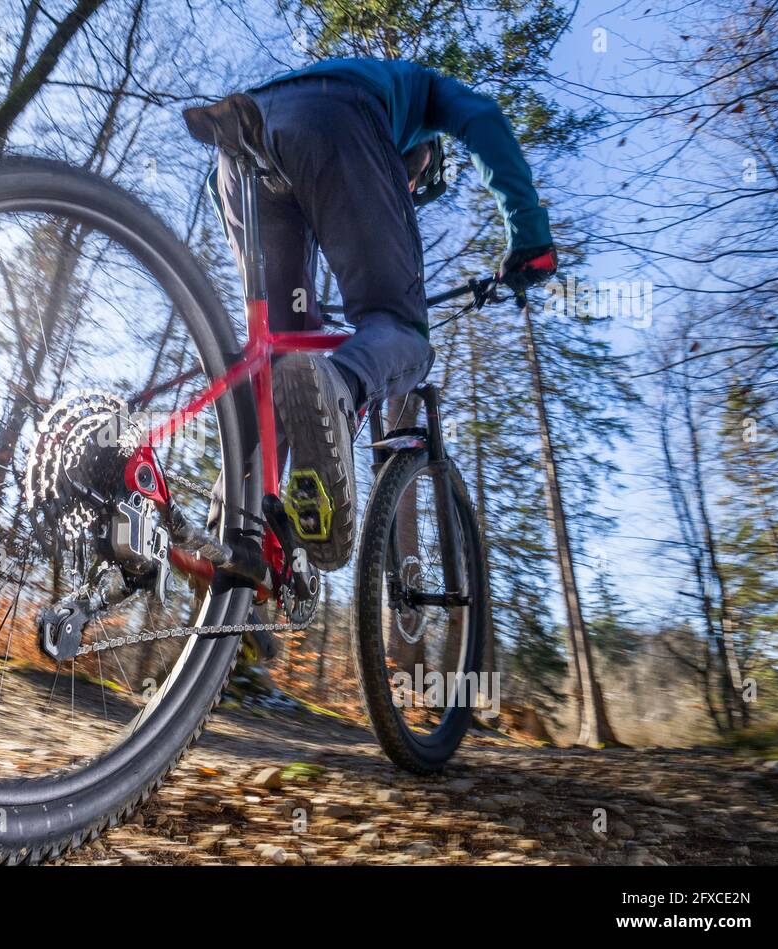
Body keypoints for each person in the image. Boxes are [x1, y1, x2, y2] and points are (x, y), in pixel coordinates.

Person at [185, 57, 559, 571]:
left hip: (241, 150)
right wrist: (530, 235)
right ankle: (341, 388)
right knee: (399, 327)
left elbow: (225, 192)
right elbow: (482, 117)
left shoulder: (343, 76)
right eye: (414, 176)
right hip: (335, 121)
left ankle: (230, 548)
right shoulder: (422, 88)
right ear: (420, 153)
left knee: (282, 355)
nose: (406, 188)